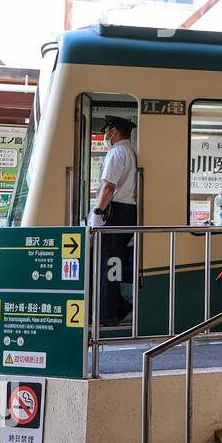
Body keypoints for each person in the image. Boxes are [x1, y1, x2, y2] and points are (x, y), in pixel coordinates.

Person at [89, 115, 137, 325]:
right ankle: (118, 305)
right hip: (126, 212)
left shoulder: (116, 153)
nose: (105, 134)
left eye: (107, 130)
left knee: (106, 263)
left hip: (116, 211)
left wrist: (98, 212)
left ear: (114, 132)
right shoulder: (129, 151)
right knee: (113, 262)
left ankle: (107, 314)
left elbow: (108, 187)